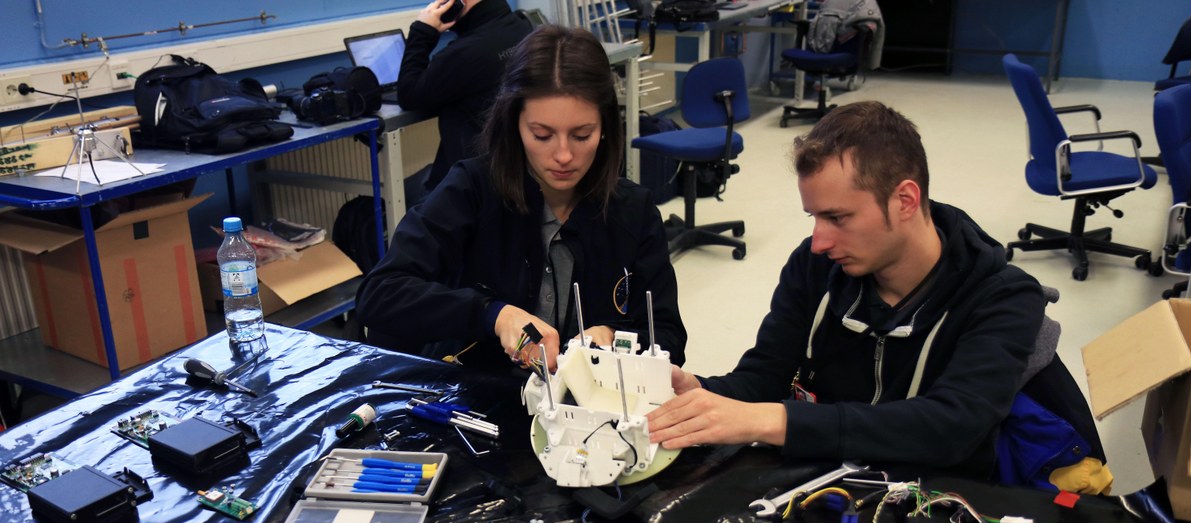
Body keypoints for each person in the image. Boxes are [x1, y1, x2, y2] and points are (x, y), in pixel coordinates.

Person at [647, 101, 1045, 477]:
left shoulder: (1003, 297)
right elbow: (763, 378)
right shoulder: (814, 266)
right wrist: (700, 393)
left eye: (838, 217)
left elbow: (952, 427)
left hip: (933, 506)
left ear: (905, 200)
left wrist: (777, 419)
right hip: (818, 487)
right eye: (815, 217)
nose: (819, 241)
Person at [357, 26, 687, 373]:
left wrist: (612, 336)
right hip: (484, 398)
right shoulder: (472, 189)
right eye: (542, 135)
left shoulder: (633, 211)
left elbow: (668, 338)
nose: (563, 155)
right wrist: (493, 314)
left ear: (605, 127)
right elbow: (380, 293)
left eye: (581, 134)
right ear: (515, 124)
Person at [396, 0, 533, 199]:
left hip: (470, 189)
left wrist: (422, 32)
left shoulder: (462, 54)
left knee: (366, 210)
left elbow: (408, 94)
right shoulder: (523, 28)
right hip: (515, 176)